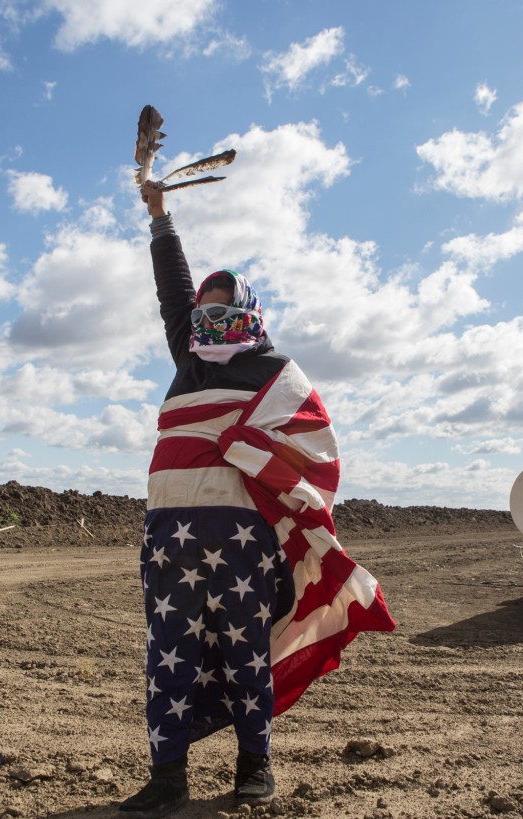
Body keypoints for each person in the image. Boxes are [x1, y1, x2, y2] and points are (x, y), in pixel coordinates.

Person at [120, 181, 395, 818]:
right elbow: (171, 288)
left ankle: (255, 765)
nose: (210, 323)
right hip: (170, 539)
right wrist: (161, 219)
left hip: (244, 545)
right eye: (202, 314)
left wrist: (247, 447)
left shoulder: (275, 374)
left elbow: (313, 452)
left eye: (222, 311)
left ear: (249, 313)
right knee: (169, 655)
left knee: (246, 655)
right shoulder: (188, 360)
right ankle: (167, 776)